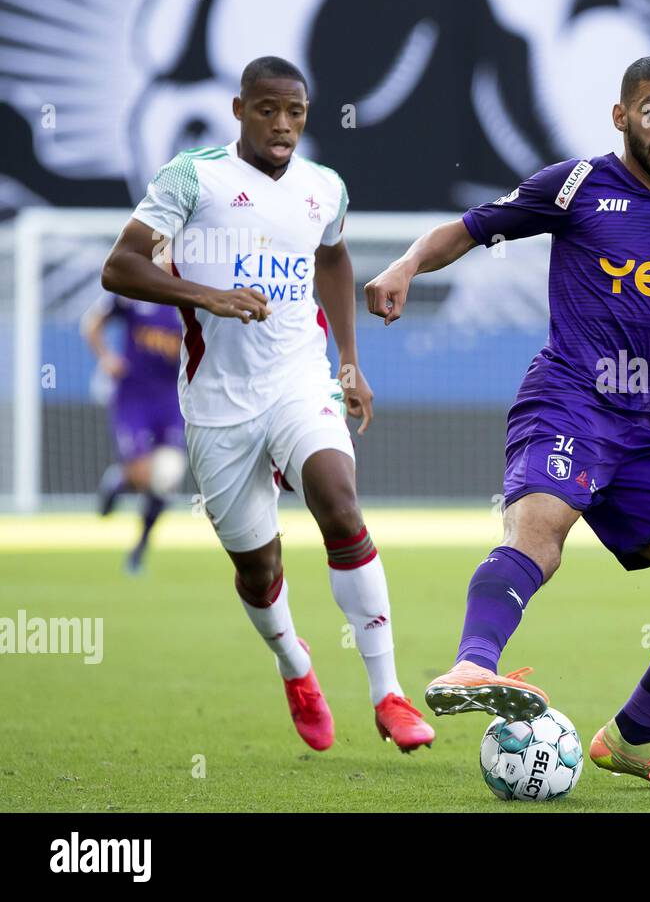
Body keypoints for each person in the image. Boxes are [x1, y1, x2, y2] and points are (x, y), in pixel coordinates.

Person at [364, 56, 650, 790]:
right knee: (540, 535)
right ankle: (473, 662)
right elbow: (470, 228)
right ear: (622, 116)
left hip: (640, 431)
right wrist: (404, 267)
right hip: (569, 398)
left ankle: (630, 739)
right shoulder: (577, 185)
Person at [100, 55, 434, 754]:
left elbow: (333, 259)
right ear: (240, 109)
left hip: (298, 380)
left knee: (339, 502)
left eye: (295, 113)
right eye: (267, 110)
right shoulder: (192, 177)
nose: (282, 126)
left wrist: (348, 361)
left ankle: (389, 695)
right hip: (218, 405)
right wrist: (208, 296)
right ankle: (296, 665)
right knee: (259, 569)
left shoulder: (324, 188)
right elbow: (120, 265)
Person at [82, 293, 187, 574]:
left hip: (171, 399)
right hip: (133, 397)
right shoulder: (135, 292)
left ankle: (139, 549)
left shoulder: (191, 295)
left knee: (167, 477)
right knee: (142, 474)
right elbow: (92, 323)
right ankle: (119, 481)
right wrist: (106, 357)